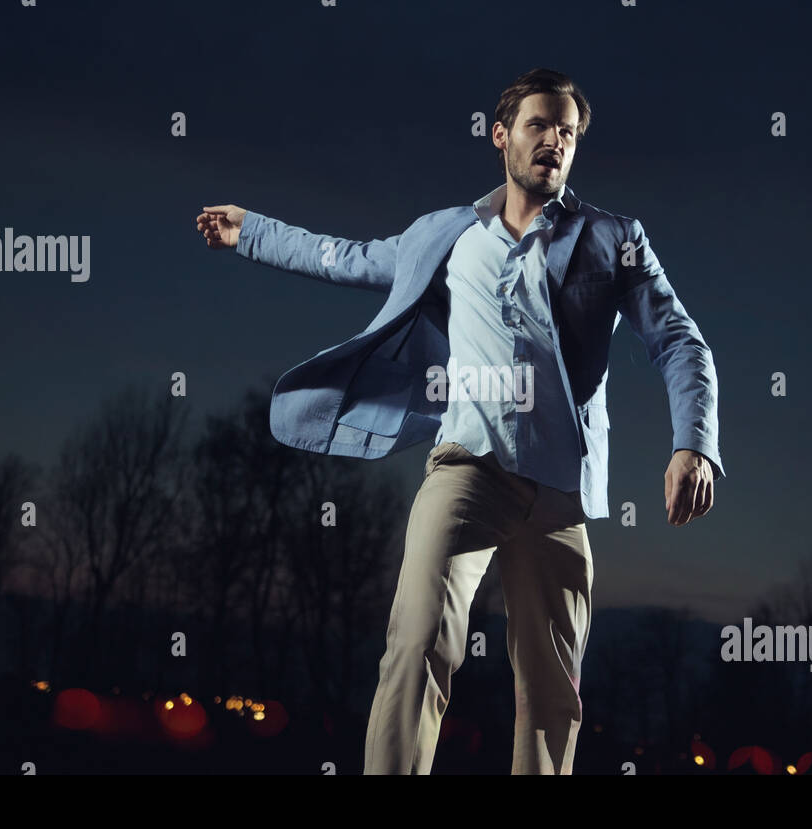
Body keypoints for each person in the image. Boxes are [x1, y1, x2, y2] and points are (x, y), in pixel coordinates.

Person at [195, 67, 725, 774]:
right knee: (418, 641)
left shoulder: (613, 239)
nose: (555, 142)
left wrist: (695, 443)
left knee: (554, 691)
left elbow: (678, 339)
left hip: (557, 496)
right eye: (539, 125)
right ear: (500, 136)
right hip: (466, 470)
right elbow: (345, 257)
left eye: (567, 132)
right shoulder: (445, 235)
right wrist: (251, 232)